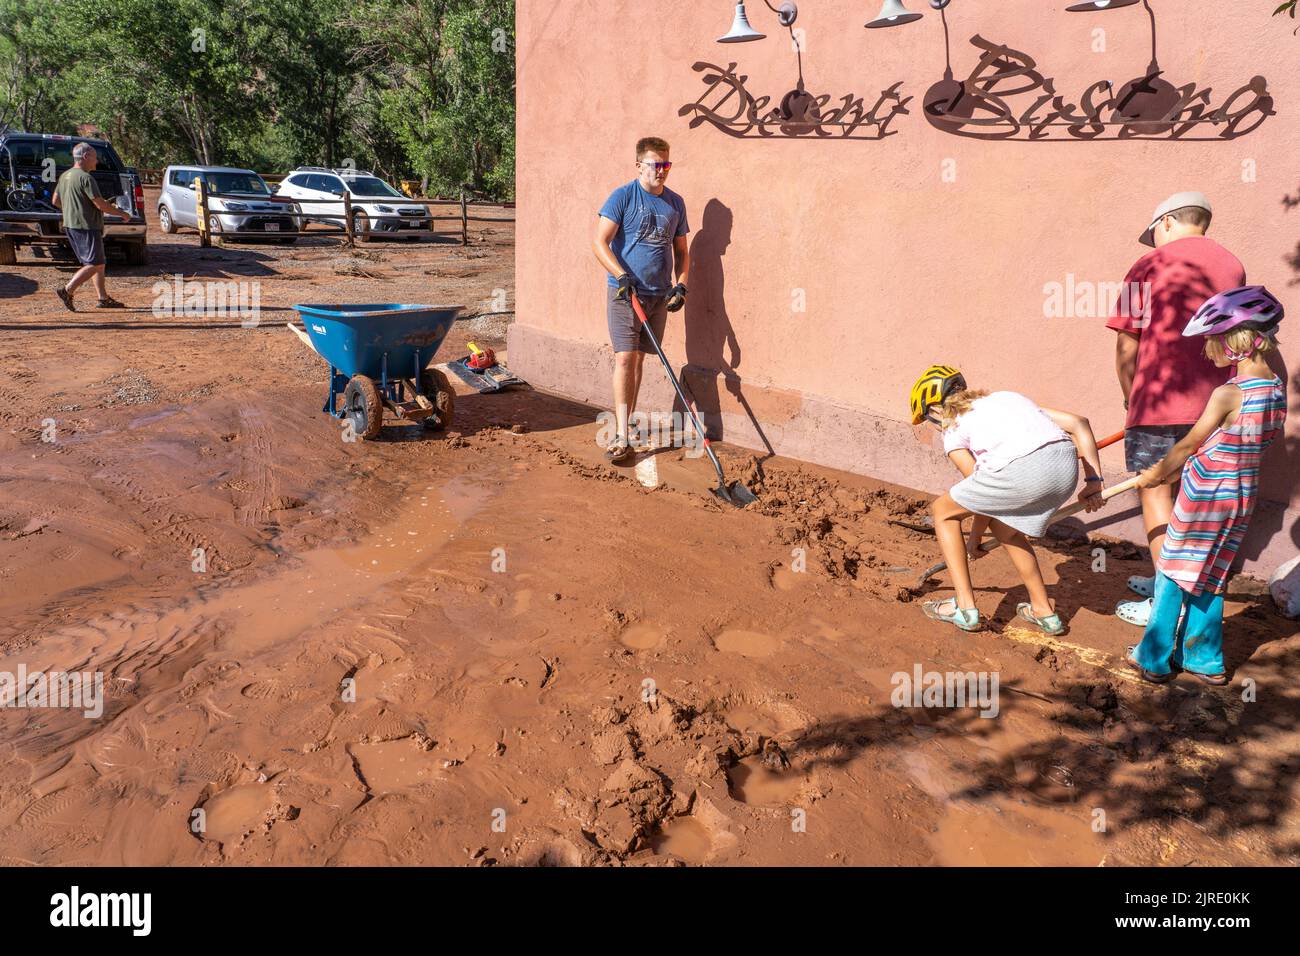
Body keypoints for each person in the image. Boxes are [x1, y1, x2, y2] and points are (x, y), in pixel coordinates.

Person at [1126, 287, 1287, 686]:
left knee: (1173, 572)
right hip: (1241, 496)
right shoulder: (1276, 388)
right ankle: (1204, 658)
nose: (1206, 351)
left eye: (1212, 342)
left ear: (1237, 343)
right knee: (1211, 575)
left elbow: (1187, 443)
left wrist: (1156, 474)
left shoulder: (1228, 393)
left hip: (1206, 496)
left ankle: (1154, 658)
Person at [1108, 191, 1246, 626]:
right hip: (1218, 406)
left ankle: (1166, 607)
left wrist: (1133, 395)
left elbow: (1126, 342)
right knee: (1195, 499)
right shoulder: (1233, 266)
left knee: (1155, 492)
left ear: (1165, 222)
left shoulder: (1147, 266)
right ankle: (1170, 580)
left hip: (1159, 403)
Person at [911, 365, 1104, 635]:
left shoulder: (953, 428)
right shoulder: (1008, 397)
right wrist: (1094, 482)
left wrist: (974, 539)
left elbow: (980, 495)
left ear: (935, 409)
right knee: (1004, 528)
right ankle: (1043, 611)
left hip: (1022, 471)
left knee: (942, 511)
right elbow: (1079, 423)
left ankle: (964, 609)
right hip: (1065, 467)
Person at [592, 137, 690, 462]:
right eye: (654, 165)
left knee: (639, 360)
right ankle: (621, 436)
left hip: (657, 294)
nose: (661, 171)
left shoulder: (675, 203)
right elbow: (599, 242)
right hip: (624, 292)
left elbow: (681, 251)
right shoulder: (623, 197)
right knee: (624, 357)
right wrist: (620, 275)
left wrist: (681, 286)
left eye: (666, 165)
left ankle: (627, 419)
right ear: (639, 166)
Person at [51, 142, 129, 311]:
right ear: (86, 157)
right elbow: (100, 204)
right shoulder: (86, 178)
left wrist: (73, 209)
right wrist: (122, 214)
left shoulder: (65, 176)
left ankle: (103, 298)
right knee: (94, 263)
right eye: (95, 157)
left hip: (71, 225)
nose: (97, 161)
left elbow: (55, 201)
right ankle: (67, 290)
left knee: (98, 263)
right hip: (87, 226)